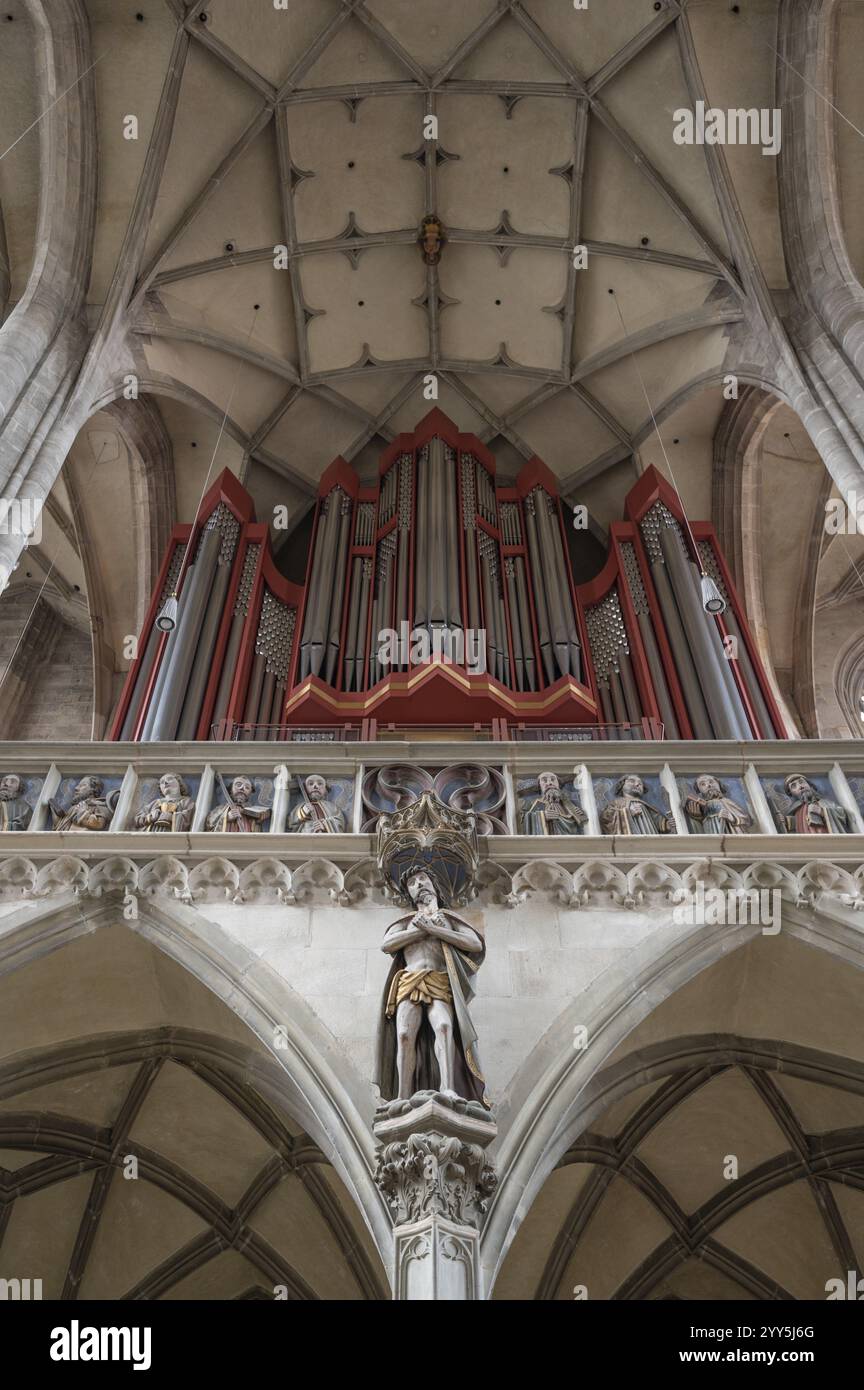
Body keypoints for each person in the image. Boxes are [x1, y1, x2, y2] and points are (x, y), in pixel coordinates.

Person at [375, 866, 488, 1107]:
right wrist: (419, 930)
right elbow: (388, 944)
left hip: (439, 980)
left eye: (423, 878)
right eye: (413, 883)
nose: (419, 884)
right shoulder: (406, 921)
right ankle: (403, 1096)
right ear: (409, 893)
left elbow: (474, 943)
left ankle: (447, 1088)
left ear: (434, 884)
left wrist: (436, 930)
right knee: (405, 1035)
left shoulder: (449, 919)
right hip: (410, 980)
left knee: (445, 1026)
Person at [599, 774, 672, 835]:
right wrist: (627, 813)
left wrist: (667, 825)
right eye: (632, 781)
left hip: (650, 836)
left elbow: (657, 820)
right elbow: (606, 819)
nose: (637, 784)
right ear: (622, 785)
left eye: (640, 784)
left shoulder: (646, 806)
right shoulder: (616, 803)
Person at [520, 771, 586, 835]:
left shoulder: (568, 803)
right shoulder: (532, 803)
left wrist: (579, 813)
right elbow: (523, 820)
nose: (549, 783)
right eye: (544, 780)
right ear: (539, 786)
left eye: (553, 779)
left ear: (558, 784)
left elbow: (581, 823)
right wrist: (543, 816)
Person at [781, 774, 850, 834]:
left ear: (810, 785)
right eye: (794, 786)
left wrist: (822, 812)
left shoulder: (825, 803)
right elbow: (796, 826)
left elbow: (842, 814)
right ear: (792, 794)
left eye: (801, 782)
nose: (800, 786)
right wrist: (786, 821)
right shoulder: (796, 810)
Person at [683, 774, 751, 834]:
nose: (709, 785)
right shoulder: (703, 806)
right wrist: (698, 817)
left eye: (711, 782)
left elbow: (746, 819)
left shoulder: (726, 801)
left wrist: (732, 818)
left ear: (719, 785)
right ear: (699, 792)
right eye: (703, 784)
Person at [205, 775, 270, 832]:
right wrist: (226, 817)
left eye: (247, 787)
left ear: (250, 794)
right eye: (238, 785)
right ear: (231, 790)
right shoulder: (220, 809)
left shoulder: (252, 812)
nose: (242, 788)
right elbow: (209, 823)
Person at [49, 776, 114, 832]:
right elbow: (63, 830)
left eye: (82, 785)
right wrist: (58, 819)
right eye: (78, 785)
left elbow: (99, 824)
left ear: (93, 790)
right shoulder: (74, 808)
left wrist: (83, 813)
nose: (76, 788)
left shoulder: (99, 806)